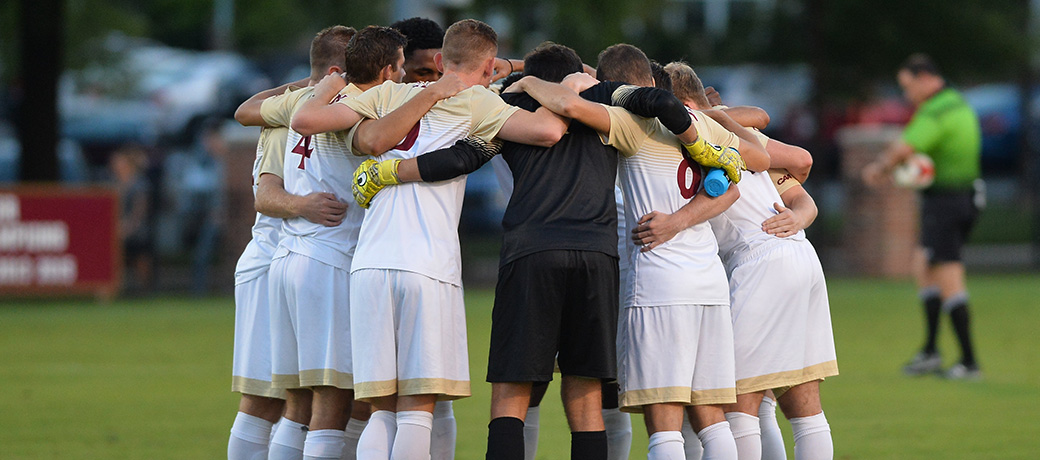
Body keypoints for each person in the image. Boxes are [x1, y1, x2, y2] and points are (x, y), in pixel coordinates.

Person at [298, 18, 569, 460]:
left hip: (368, 263)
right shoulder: (480, 102)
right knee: (416, 411)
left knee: (380, 410)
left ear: (440, 61)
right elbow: (550, 130)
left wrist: (329, 84)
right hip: (427, 264)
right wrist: (538, 81)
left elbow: (310, 119)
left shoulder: (386, 93)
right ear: (488, 67)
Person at [507, 44, 769, 459]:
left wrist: (525, 79)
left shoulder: (630, 123)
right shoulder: (700, 123)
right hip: (708, 285)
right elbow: (746, 172)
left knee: (663, 420)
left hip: (660, 285)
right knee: (710, 415)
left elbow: (568, 106)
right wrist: (684, 217)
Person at [668, 62, 838, 460]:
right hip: (801, 257)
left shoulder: (694, 135)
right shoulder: (748, 140)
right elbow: (794, 166)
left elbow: (799, 161)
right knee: (803, 405)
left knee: (735, 404)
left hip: (760, 260)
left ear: (686, 105)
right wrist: (801, 217)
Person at [228, 25, 356, 460]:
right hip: (278, 260)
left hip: (293, 259)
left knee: (300, 399)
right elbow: (265, 196)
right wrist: (303, 205)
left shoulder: (301, 108)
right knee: (270, 398)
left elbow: (246, 110)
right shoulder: (290, 118)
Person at [863, 53, 982, 380]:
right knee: (923, 265)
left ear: (926, 77)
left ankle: (969, 362)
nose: (906, 94)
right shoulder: (957, 101)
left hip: (947, 201)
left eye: (907, 85)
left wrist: (879, 167)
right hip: (960, 197)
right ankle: (930, 351)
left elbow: (905, 147)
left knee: (947, 272)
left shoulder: (936, 109)